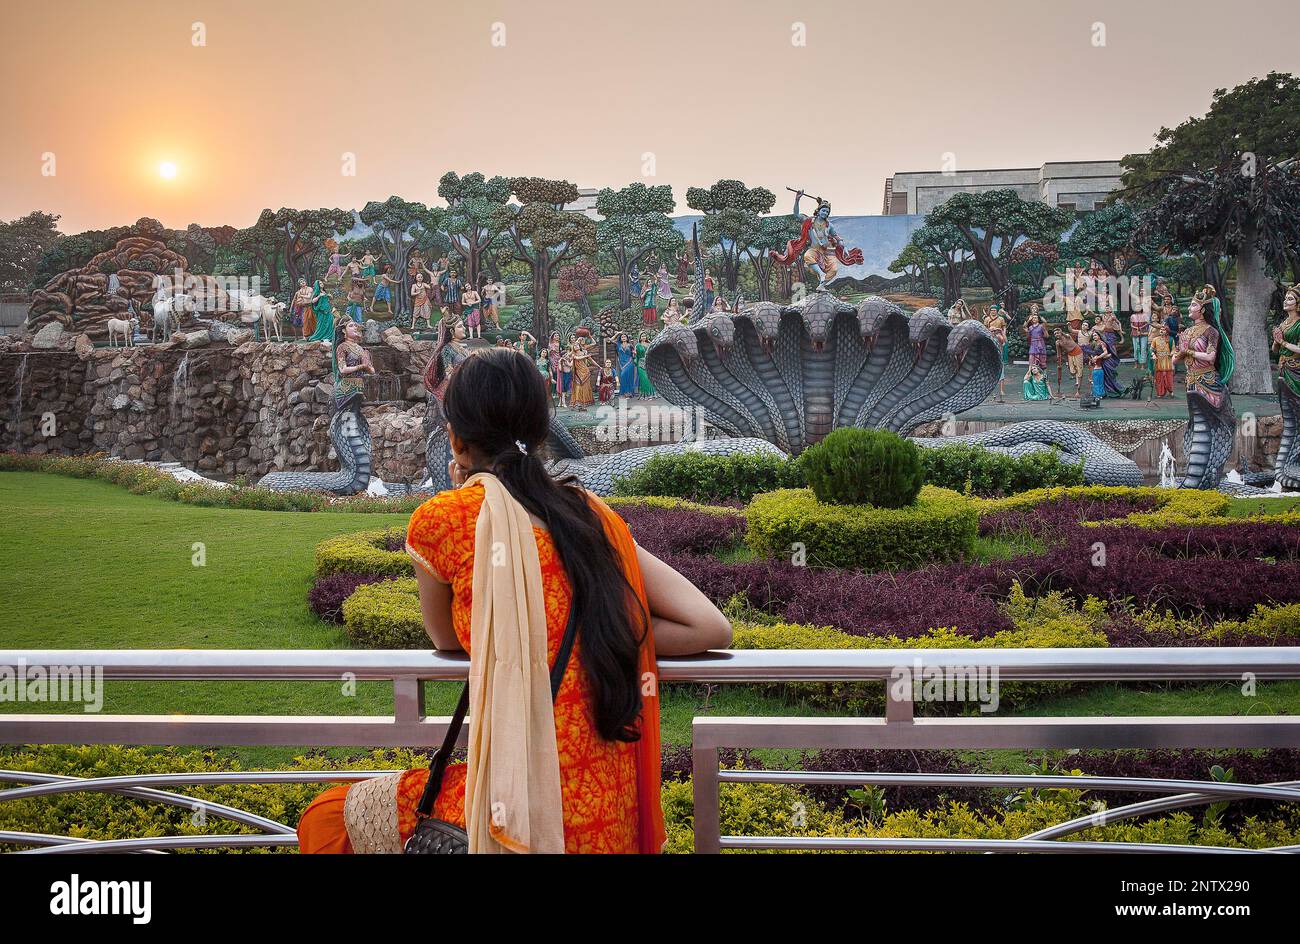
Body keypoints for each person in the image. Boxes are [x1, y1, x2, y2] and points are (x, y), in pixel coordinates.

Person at [297, 348, 731, 854]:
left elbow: (444, 638)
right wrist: (600, 623)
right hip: (607, 812)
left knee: (328, 822)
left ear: (455, 437)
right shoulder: (587, 516)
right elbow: (709, 627)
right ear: (540, 427)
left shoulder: (446, 519)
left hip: (517, 806)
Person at [1053, 327, 1084, 399]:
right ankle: (1077, 372)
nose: (1056, 334)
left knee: (1079, 371)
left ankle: (1078, 390)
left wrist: (1061, 332)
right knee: (1072, 372)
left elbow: (1066, 335)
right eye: (1055, 334)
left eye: (1058, 333)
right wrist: (1059, 363)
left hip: (1077, 352)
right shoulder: (1058, 342)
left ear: (1061, 333)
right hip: (1070, 354)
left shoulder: (1067, 336)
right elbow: (1059, 354)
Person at [1151, 321, 1175, 398]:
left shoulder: (1171, 339)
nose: (1161, 331)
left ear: (1167, 331)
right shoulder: (1155, 339)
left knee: (1168, 377)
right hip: (1159, 361)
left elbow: (1174, 349)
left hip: (1167, 361)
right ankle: (1160, 393)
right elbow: (1151, 349)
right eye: (1160, 329)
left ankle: (1170, 391)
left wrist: (1171, 353)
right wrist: (1153, 354)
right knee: (1159, 377)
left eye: (1163, 329)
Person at [1023, 306, 1047, 371]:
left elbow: (1045, 323)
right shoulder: (1029, 317)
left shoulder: (1039, 317)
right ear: (1031, 310)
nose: (1034, 309)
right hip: (1031, 335)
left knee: (1041, 354)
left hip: (1039, 336)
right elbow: (1024, 326)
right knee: (1032, 353)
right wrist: (1029, 320)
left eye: (1035, 308)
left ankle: (1041, 368)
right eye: (1033, 308)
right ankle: (1032, 368)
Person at [616, 332, 637, 398]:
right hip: (622, 363)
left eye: (625, 337)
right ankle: (624, 392)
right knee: (622, 377)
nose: (623, 338)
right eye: (622, 337)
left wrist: (634, 353)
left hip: (629, 362)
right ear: (620, 338)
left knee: (628, 377)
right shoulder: (618, 345)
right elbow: (610, 340)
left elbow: (633, 356)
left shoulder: (630, 345)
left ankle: (629, 392)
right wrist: (617, 333)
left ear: (627, 338)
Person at [635, 333, 654, 397]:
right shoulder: (637, 345)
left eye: (645, 336)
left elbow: (652, 353)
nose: (644, 337)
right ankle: (643, 393)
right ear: (640, 337)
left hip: (648, 363)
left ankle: (650, 393)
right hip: (640, 363)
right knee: (643, 378)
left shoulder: (649, 344)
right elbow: (636, 355)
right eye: (642, 336)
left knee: (648, 378)